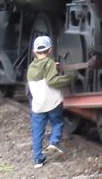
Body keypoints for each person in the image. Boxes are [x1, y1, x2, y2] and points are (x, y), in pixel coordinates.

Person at [27, 35, 74, 167]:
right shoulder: (50, 63)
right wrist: (70, 78)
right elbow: (52, 80)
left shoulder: (31, 67)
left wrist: (53, 65)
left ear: (34, 51)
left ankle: (38, 159)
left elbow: (42, 70)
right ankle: (54, 142)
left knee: (37, 131)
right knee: (58, 123)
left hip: (38, 105)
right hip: (53, 103)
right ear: (50, 50)